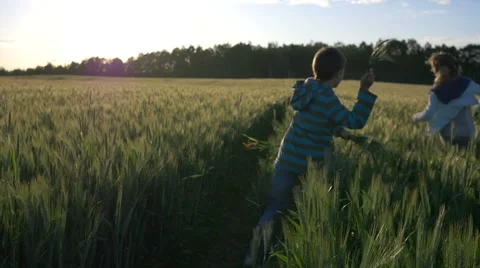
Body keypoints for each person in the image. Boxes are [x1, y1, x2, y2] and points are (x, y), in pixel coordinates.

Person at [243, 47, 377, 266]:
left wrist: (337, 132)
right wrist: (365, 89)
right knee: (307, 209)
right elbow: (355, 121)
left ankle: (252, 254)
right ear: (339, 74)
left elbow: (316, 120)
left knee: (275, 206)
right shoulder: (327, 98)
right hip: (310, 165)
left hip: (286, 159)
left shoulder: (306, 90)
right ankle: (293, 252)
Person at [412, 52, 480, 149]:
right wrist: (478, 109)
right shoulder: (467, 84)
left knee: (452, 160)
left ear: (436, 69)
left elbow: (429, 114)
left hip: (447, 135)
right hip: (467, 133)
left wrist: (415, 117)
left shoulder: (436, 91)